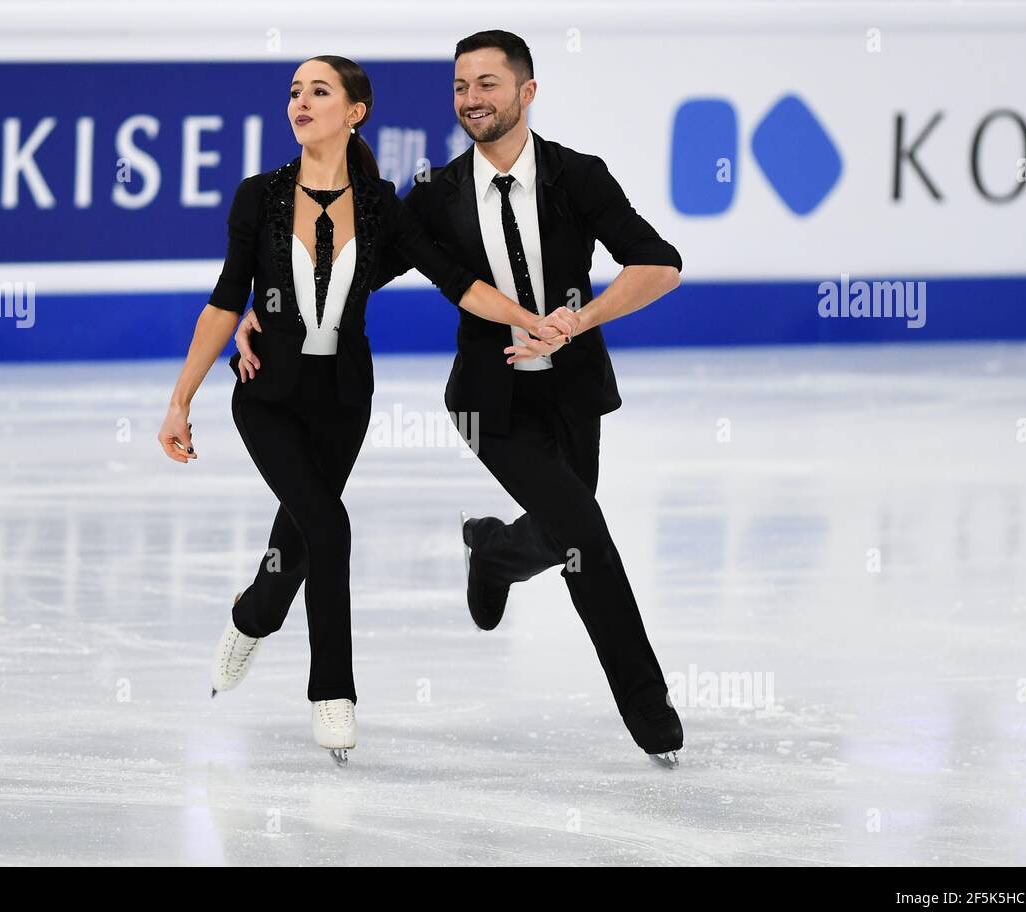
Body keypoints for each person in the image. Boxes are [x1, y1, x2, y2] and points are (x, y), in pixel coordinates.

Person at [158, 55, 567, 766]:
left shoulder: (380, 205)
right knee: (329, 525)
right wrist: (179, 399)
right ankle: (333, 692)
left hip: (344, 400)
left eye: (319, 91)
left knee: (302, 536)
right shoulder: (258, 196)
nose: (300, 102)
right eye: (293, 91)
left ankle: (251, 615)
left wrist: (523, 318)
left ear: (355, 111)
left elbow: (457, 281)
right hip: (267, 398)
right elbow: (228, 300)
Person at [371, 30, 686, 766]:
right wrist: (264, 300)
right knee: (586, 530)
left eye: (486, 84)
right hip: (489, 402)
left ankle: (494, 551)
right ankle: (645, 699)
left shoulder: (578, 176)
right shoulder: (436, 195)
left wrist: (579, 320)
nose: (471, 100)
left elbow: (659, 264)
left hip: (573, 391)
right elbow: (363, 270)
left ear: (527, 92)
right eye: (460, 87)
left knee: (563, 535)